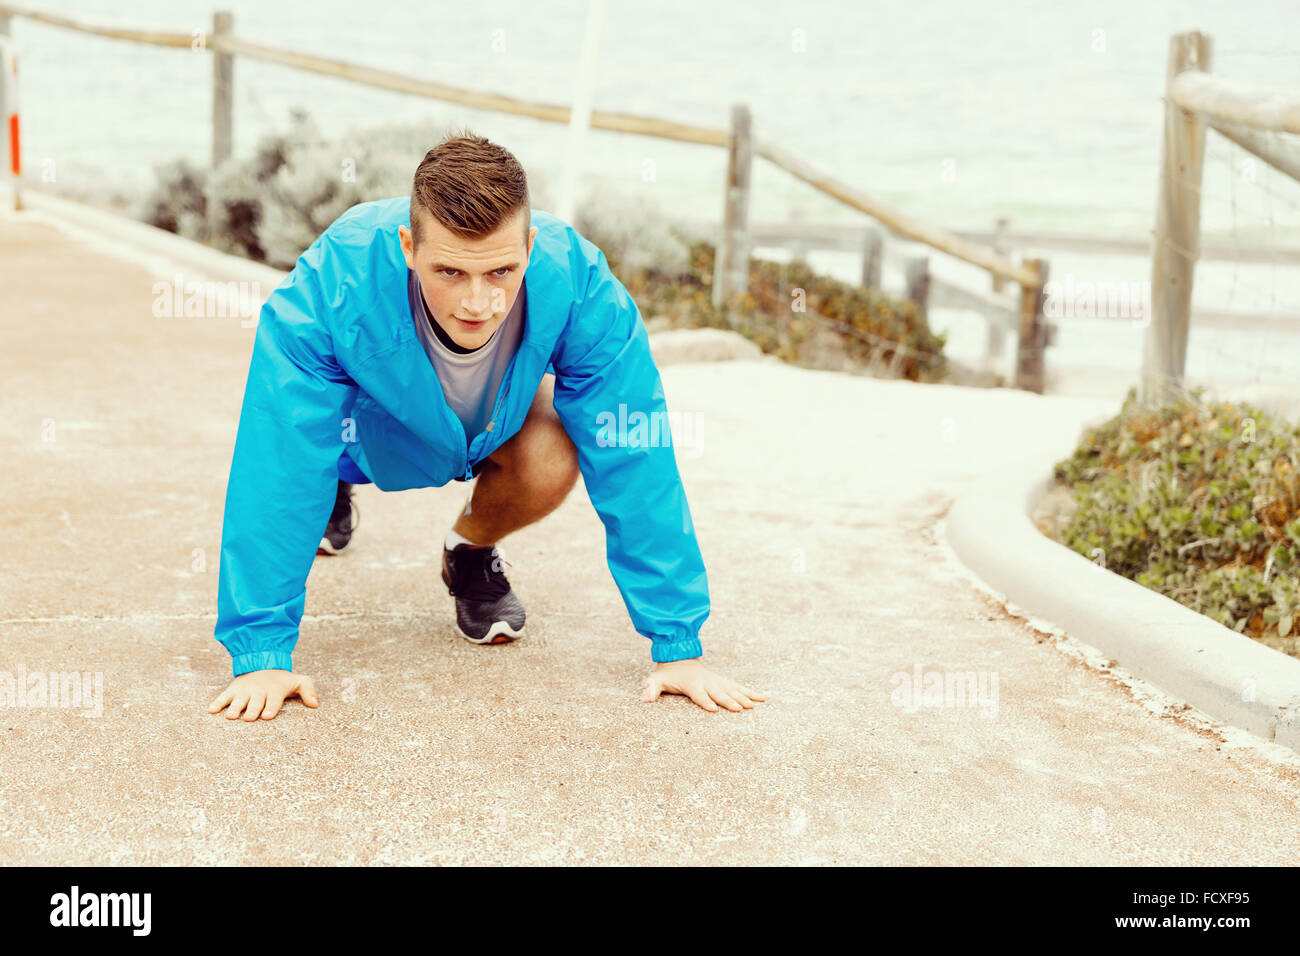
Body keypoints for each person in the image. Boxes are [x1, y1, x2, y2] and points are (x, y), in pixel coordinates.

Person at [207, 131, 764, 721]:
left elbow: (633, 447)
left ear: (529, 244)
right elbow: (278, 455)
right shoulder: (334, 281)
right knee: (310, 465)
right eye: (449, 271)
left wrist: (677, 645)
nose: (478, 301)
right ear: (407, 247)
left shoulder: (576, 280)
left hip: (491, 427)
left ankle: (469, 553)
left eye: (501, 271)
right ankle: (334, 493)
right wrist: (262, 654)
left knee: (556, 447)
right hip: (361, 434)